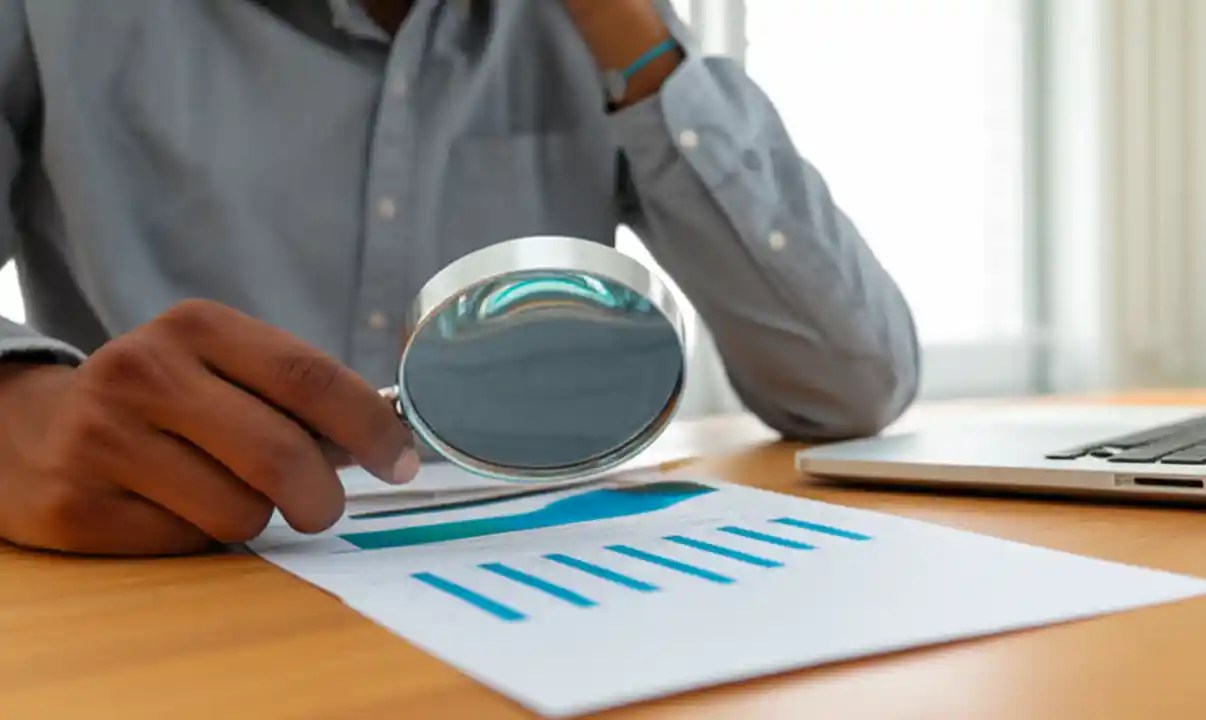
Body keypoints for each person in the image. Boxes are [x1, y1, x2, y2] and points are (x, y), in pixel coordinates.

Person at [0, 0, 919, 556]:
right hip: (178, 583)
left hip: (535, 586)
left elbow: (851, 383)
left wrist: (637, 44)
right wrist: (15, 407)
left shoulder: (593, 32)